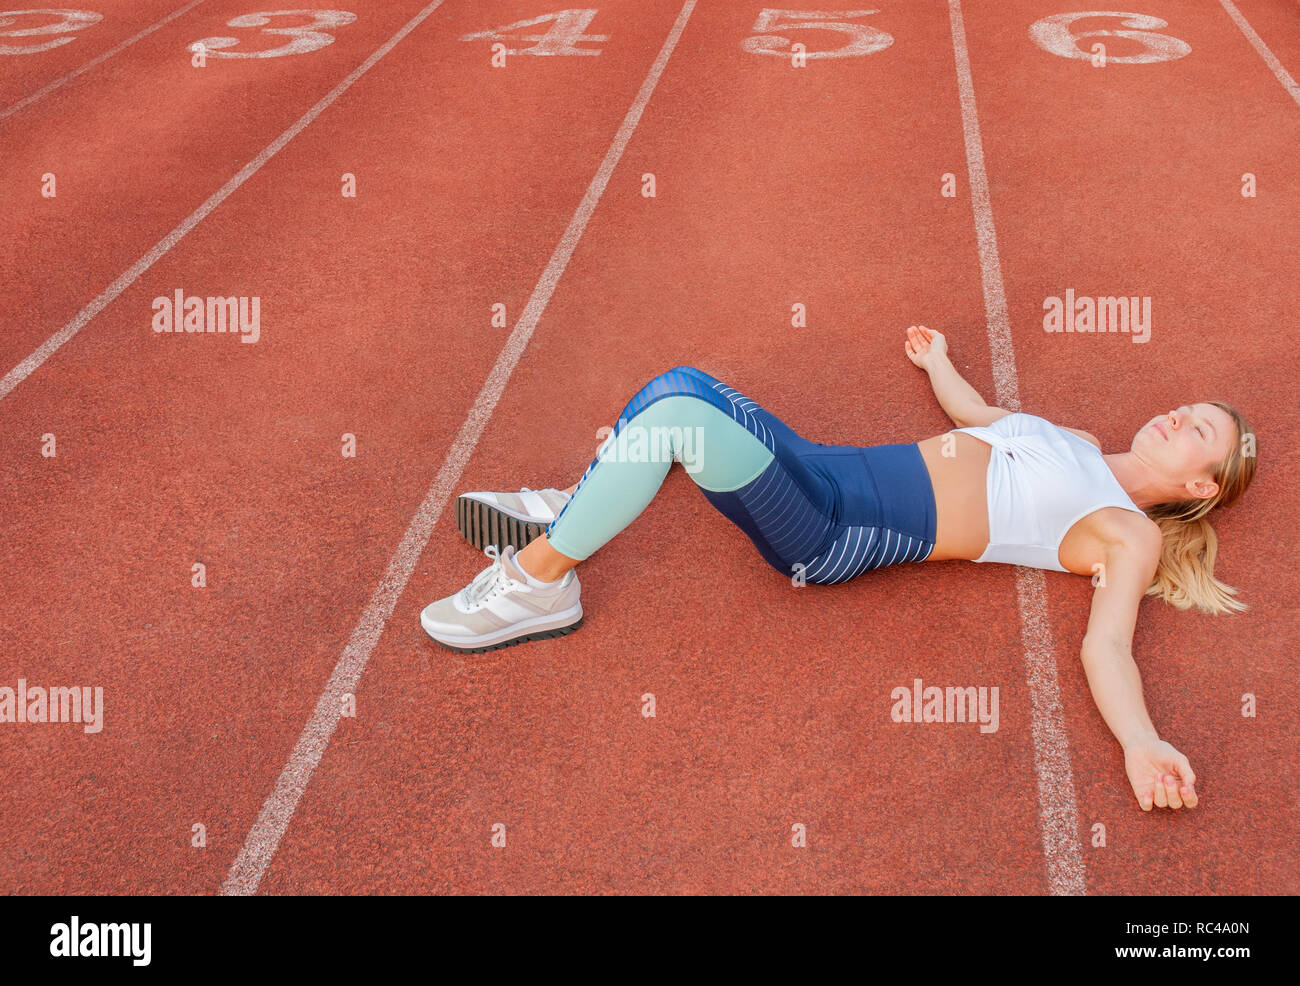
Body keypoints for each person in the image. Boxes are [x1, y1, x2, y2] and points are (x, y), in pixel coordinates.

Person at [421, 327, 1257, 812]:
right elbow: (982, 418)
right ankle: (579, 498)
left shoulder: (1123, 531)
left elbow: (1106, 647)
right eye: (1191, 410)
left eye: (1200, 434)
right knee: (682, 380)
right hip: (825, 466)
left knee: (678, 418)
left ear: (1196, 487)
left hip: (829, 531)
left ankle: (540, 579)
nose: (1180, 416)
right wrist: (939, 364)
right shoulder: (1073, 444)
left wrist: (1141, 743)